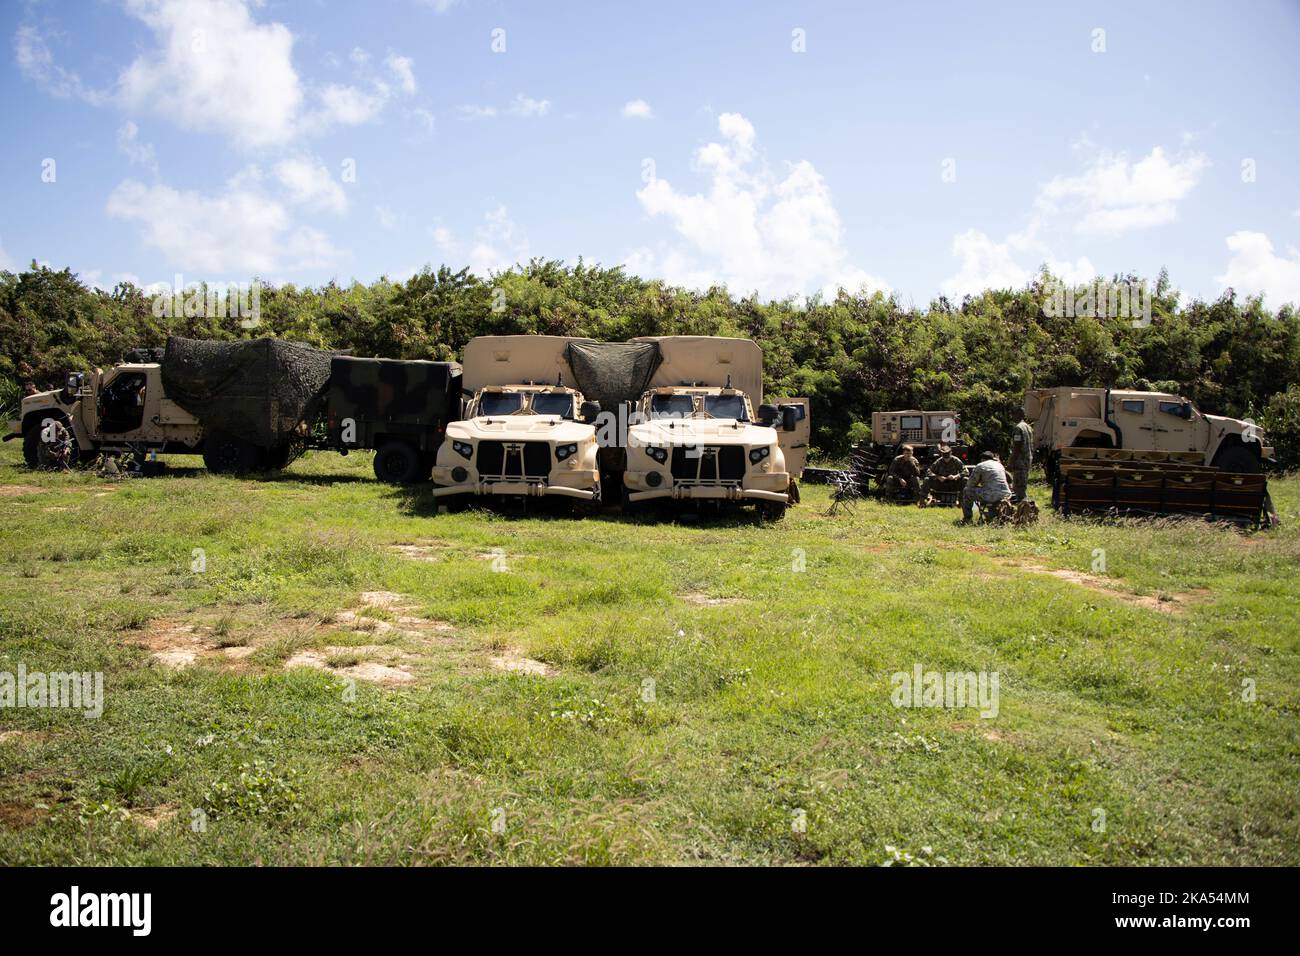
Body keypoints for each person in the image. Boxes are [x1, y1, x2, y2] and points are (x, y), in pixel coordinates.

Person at [961, 451, 1012, 523]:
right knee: (989, 492)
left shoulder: (980, 466)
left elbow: (970, 484)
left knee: (967, 491)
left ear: (982, 459)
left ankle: (967, 519)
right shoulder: (1000, 465)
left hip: (991, 494)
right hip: (1006, 495)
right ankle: (993, 515)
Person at [1009, 417, 1034, 500]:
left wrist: (1011, 461)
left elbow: (1017, 446)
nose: (1012, 416)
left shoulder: (1018, 428)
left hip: (1020, 461)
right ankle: (1023, 505)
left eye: (1014, 414)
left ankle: (1023, 507)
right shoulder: (1028, 427)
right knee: (1023, 484)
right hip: (1027, 459)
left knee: (1018, 487)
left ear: (1019, 414)